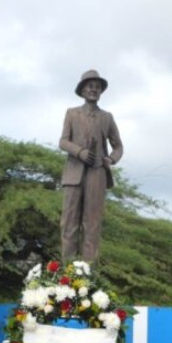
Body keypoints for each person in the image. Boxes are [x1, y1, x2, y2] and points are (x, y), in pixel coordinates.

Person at [59, 69, 124, 262]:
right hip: (73, 174)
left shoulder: (107, 117)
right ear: (82, 90)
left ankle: (87, 276)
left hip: (97, 174)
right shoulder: (72, 114)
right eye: (90, 86)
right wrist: (79, 152)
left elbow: (118, 146)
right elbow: (63, 141)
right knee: (69, 224)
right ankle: (66, 273)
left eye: (97, 87)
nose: (93, 90)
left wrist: (111, 159)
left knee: (92, 225)